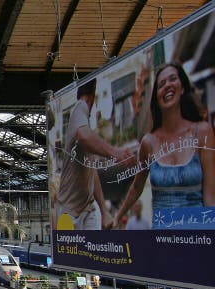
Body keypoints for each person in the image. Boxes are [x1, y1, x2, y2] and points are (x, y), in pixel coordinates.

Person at [116, 63, 215, 225]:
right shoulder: (148, 142)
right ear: (156, 97)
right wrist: (116, 217)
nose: (167, 85)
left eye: (173, 79)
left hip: (197, 236)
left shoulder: (203, 132)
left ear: (182, 88)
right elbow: (136, 187)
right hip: (162, 240)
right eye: (161, 84)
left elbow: (211, 198)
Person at [55, 78, 133, 230]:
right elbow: (83, 136)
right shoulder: (80, 107)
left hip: (87, 209)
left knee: (93, 251)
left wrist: (104, 211)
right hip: (69, 212)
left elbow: (91, 171)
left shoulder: (86, 123)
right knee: (71, 252)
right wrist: (115, 152)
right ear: (93, 94)